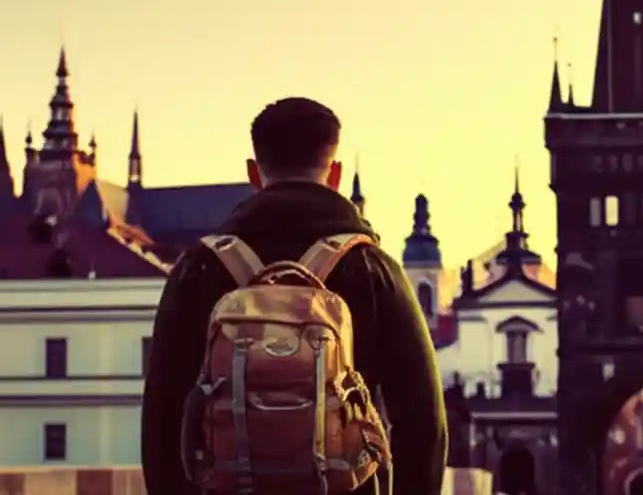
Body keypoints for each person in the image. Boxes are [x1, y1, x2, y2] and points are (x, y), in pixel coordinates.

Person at [142, 97, 448, 495]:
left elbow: (162, 421)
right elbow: (424, 423)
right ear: (335, 174)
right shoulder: (374, 269)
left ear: (254, 173)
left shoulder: (198, 269)